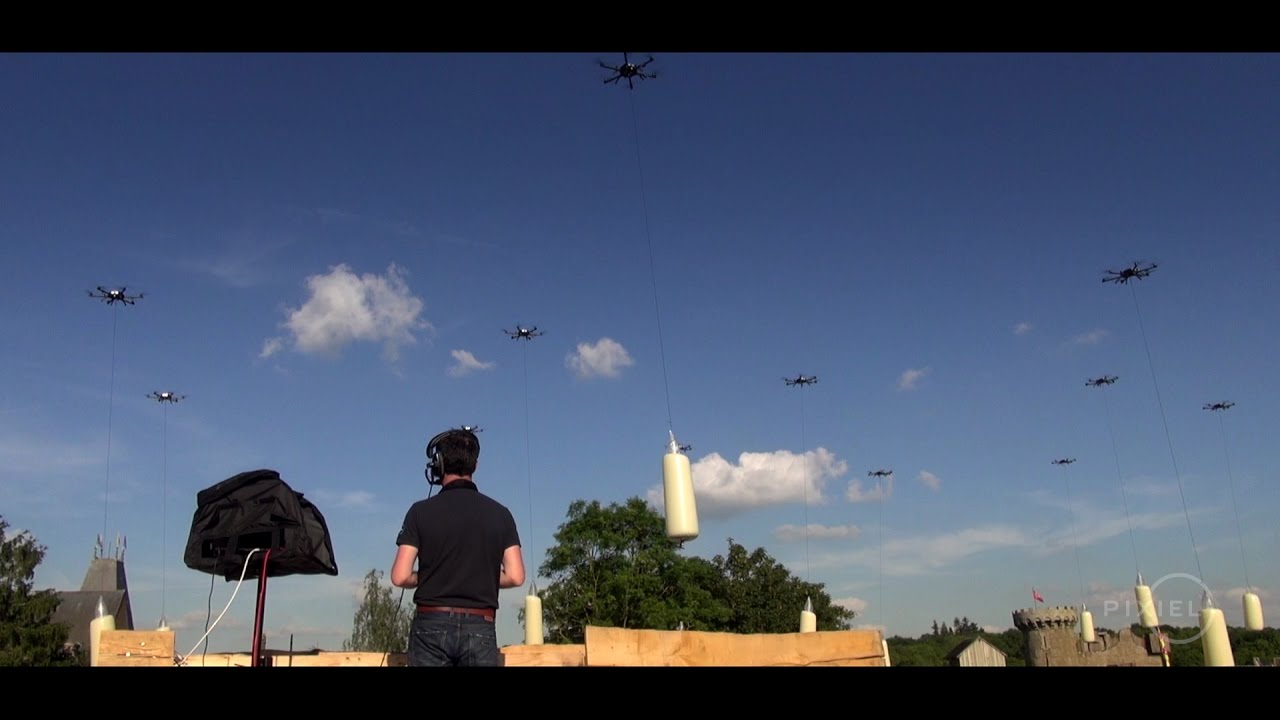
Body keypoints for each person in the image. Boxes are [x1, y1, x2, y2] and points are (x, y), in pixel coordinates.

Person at [391, 427, 525, 666]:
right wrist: (477, 577)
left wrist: (436, 576)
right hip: (480, 625)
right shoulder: (501, 514)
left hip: (430, 623)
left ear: (438, 465)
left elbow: (400, 577)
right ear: (476, 466)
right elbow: (516, 576)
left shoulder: (419, 512)